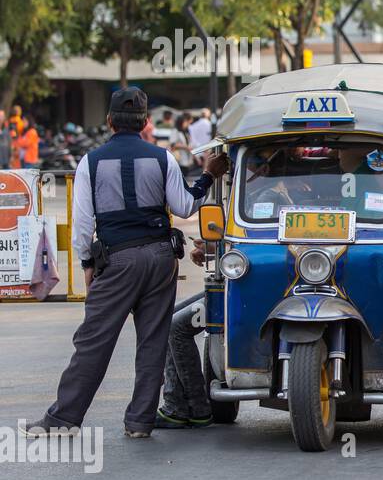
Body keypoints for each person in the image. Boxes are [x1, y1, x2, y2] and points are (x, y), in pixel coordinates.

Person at [22, 87, 229, 438]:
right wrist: (208, 175)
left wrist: (87, 265)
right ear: (146, 122)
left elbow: (83, 225)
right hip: (162, 258)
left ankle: (63, 419)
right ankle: (139, 422)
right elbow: (184, 206)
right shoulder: (162, 158)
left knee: (93, 341)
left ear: (109, 122)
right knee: (152, 341)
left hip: (116, 260)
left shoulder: (91, 161)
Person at [155, 240, 213, 429]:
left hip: (242, 290)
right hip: (227, 284)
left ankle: (198, 407)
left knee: (176, 327)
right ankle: (176, 406)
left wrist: (215, 247)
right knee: (168, 320)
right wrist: (213, 248)